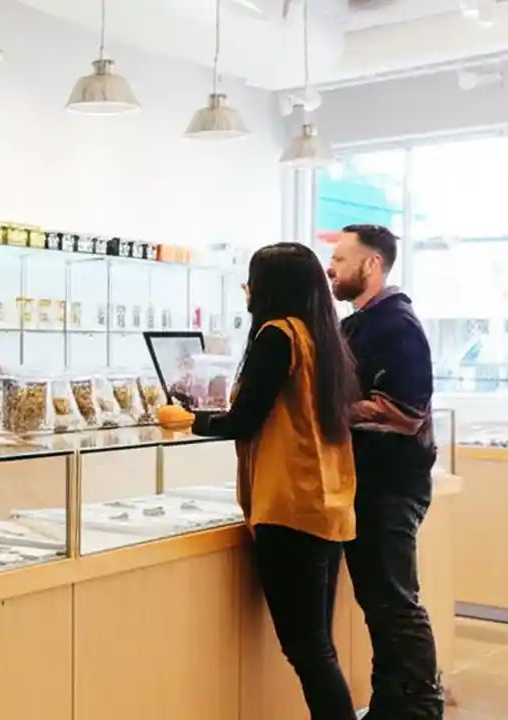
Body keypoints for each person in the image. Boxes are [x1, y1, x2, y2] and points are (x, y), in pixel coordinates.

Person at [162, 243, 360, 720]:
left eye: (251, 282)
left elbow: (244, 418)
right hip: (325, 503)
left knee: (308, 649)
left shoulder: (277, 335)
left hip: (289, 507)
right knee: (317, 646)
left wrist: (190, 421)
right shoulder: (320, 336)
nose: (246, 292)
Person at [328, 224, 445, 719]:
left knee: (395, 601)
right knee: (378, 602)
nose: (331, 269)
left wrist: (333, 410)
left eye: (341, 259)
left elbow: (406, 411)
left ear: (372, 263)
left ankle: (420, 706)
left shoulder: (396, 325)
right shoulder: (359, 322)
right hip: (367, 484)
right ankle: (390, 704)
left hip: (392, 486)